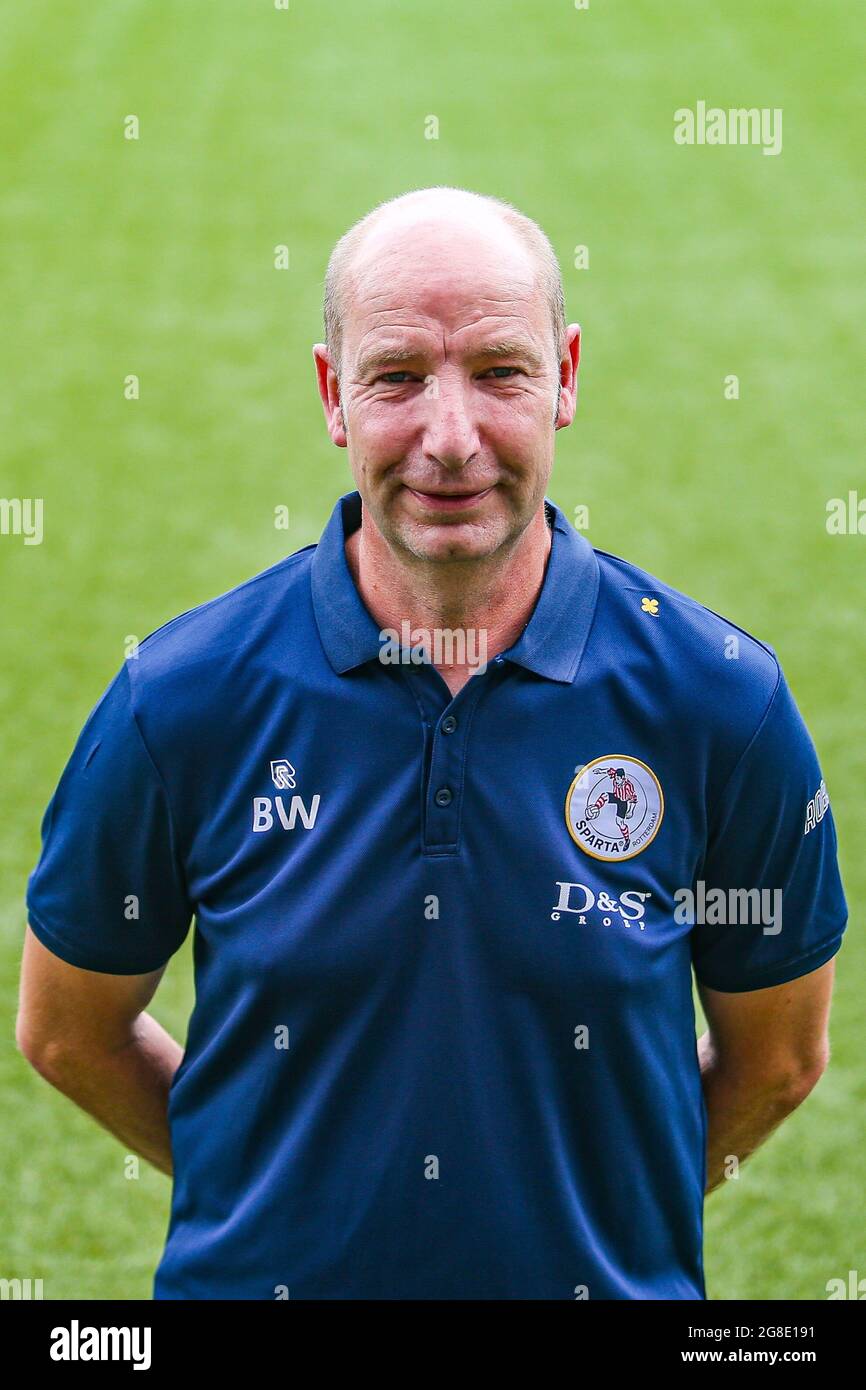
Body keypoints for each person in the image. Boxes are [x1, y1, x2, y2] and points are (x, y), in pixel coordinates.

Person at [17, 186, 848, 1300]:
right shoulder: (179, 697)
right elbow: (70, 1033)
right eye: (398, 375)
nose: (448, 441)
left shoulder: (720, 702)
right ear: (331, 393)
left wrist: (593, 1212)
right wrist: (271, 1191)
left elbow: (779, 1058)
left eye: (498, 371)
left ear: (564, 378)